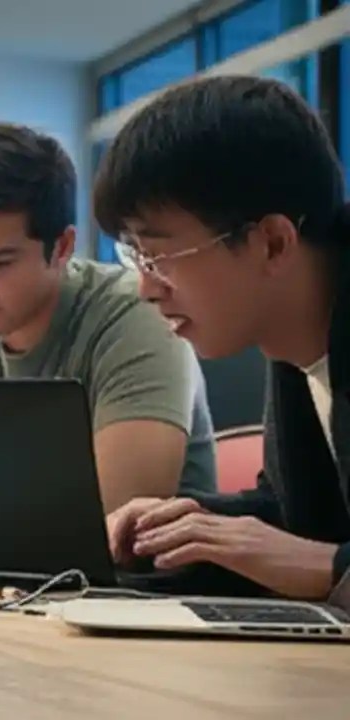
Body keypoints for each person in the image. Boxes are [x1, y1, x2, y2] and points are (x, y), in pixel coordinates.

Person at [96, 75, 350, 603]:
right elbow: (304, 514)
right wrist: (193, 524)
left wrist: (329, 567)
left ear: (273, 244)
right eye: (136, 257)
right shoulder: (296, 339)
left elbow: (314, 550)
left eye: (159, 257)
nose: (145, 288)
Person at [0, 122, 217, 513]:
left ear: (62, 247)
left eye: (0, 262)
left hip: (130, 574)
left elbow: (117, 520)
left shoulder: (137, 316)